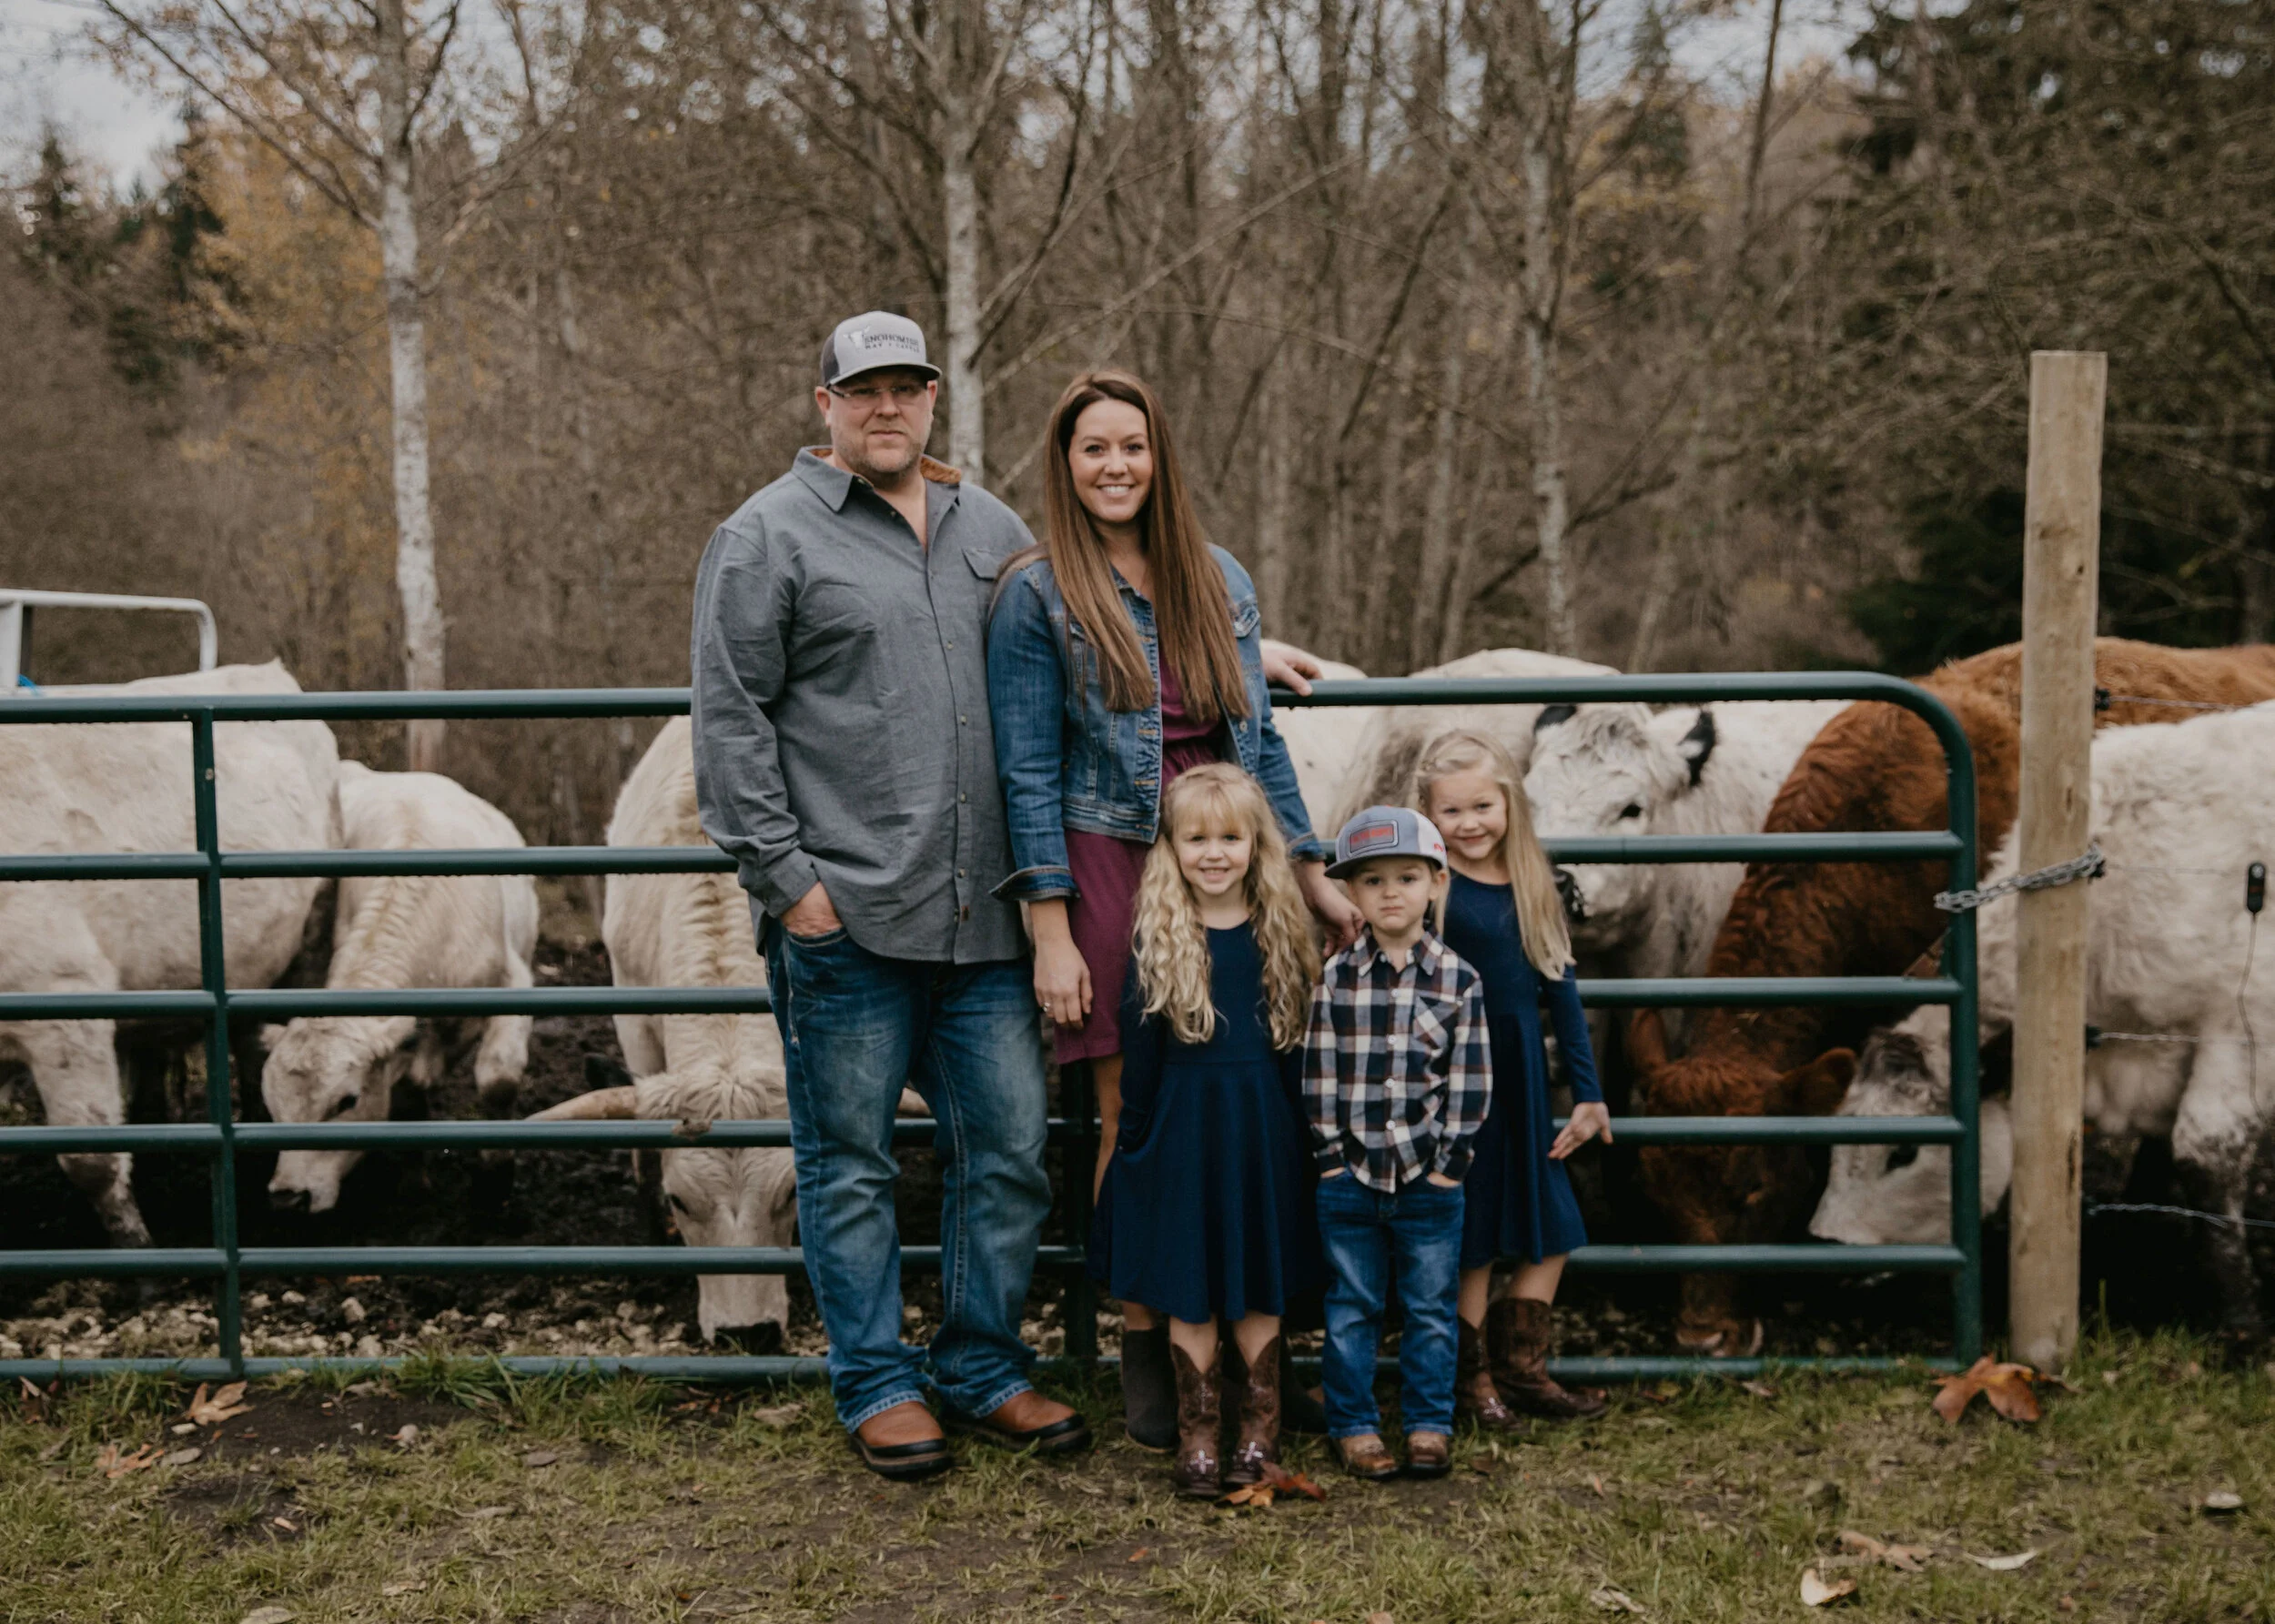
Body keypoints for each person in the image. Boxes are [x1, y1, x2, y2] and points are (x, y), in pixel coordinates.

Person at [690, 310, 1090, 1480]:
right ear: (824, 405)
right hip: (849, 919)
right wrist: (791, 884)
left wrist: (1234, 646)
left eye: (906, 387)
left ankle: (978, 1365)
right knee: (850, 1160)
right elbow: (728, 723)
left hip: (989, 919)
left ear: (931, 400)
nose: (886, 407)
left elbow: (1085, 646)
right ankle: (873, 1380)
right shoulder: (762, 538)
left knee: (1009, 1149)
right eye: (862, 390)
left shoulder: (996, 527)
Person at [987, 368, 1361, 1447]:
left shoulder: (1218, 577)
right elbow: (1024, 770)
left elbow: (1258, 741)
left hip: (1224, 849)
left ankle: (1254, 1353)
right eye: (1093, 448)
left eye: (1132, 446)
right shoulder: (1038, 595)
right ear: (1065, 464)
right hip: (1106, 854)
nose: (1115, 465)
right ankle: (1150, 1346)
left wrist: (1307, 870)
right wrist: (1050, 929)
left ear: (1161, 459)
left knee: (1253, 1094)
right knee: (1135, 1115)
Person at [1091, 764, 1324, 1498]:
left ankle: (1258, 1427)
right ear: (1172, 847)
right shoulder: (1160, 937)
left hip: (1261, 1132)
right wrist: (1139, 1141)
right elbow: (1144, 1056)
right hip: (1186, 1135)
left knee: (1260, 1281)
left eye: (1231, 837)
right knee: (1191, 1285)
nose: (1215, 852)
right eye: (1197, 838)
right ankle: (1197, 1432)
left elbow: (1293, 1051)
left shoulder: (1278, 934)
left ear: (1258, 845)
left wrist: (1302, 1139)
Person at [1416, 730, 1611, 1420]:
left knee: (1553, 1227)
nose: (1470, 824)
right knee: (1475, 1236)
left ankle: (1520, 1368)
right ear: (1428, 816)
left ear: (1510, 805)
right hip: (1456, 1082)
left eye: (1482, 807)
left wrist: (1586, 1092)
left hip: (1523, 1077)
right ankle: (1470, 1381)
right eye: (1452, 811)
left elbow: (1562, 990)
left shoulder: (1534, 880)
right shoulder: (1432, 889)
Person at [1302, 806, 1491, 1481]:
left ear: (1436, 882)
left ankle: (1428, 1423)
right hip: (1351, 1177)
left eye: (1407, 876)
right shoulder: (1335, 980)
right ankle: (1354, 1424)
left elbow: (1470, 1081)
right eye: (1372, 880)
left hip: (1428, 1179)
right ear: (1351, 893)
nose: (1391, 892)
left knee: (1431, 1307)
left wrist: (1450, 1167)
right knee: (1352, 1305)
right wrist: (1330, 1160)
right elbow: (1320, 1074)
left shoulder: (1458, 981)